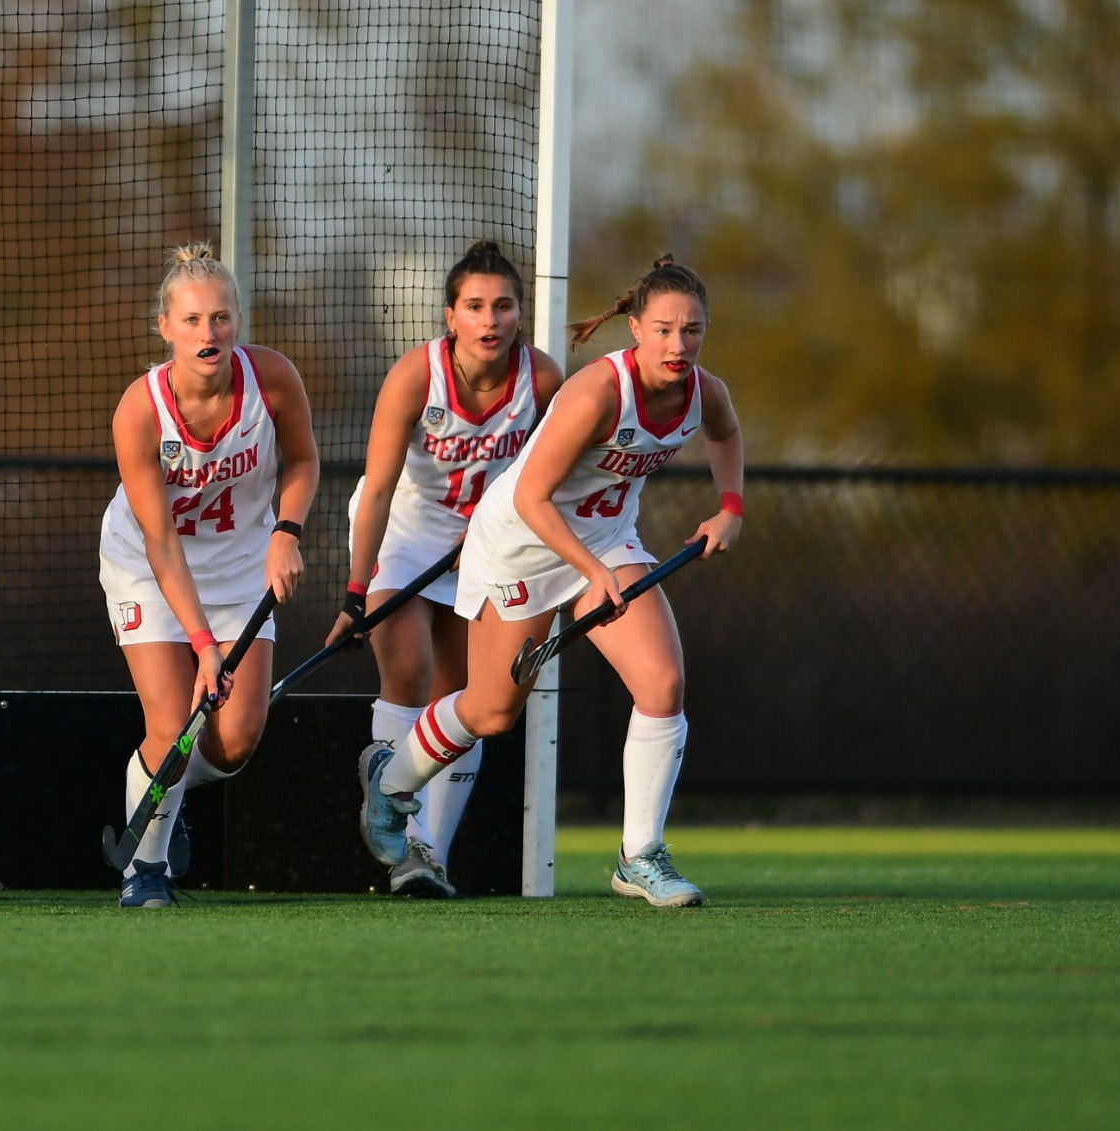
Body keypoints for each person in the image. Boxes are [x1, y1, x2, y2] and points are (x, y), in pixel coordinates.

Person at [358, 255, 743, 908]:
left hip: (605, 542)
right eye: (664, 330)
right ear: (637, 329)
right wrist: (593, 573)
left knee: (663, 682)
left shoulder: (706, 391)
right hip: (517, 545)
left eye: (692, 331)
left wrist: (730, 506)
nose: (678, 345)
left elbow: (725, 434)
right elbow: (534, 497)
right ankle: (390, 780)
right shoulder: (597, 391)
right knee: (491, 709)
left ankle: (640, 855)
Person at [328, 241, 562, 897]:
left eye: (504, 306)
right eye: (476, 306)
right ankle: (397, 838)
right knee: (407, 667)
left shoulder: (542, 380)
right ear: (450, 316)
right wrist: (354, 591)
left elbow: (556, 476)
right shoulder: (415, 376)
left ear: (520, 314)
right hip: (404, 535)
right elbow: (376, 489)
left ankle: (429, 854)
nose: (490, 320)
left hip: (485, 549)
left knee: (469, 699)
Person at [99, 243, 319, 909]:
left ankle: (156, 798)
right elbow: (161, 540)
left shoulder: (274, 380)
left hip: (240, 568)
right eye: (192, 320)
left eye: (221, 318)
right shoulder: (140, 411)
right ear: (165, 326)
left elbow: (304, 461)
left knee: (234, 740)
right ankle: (146, 869)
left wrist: (287, 532)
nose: (209, 333)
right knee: (172, 722)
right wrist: (202, 644)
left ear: (238, 323)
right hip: (149, 567)